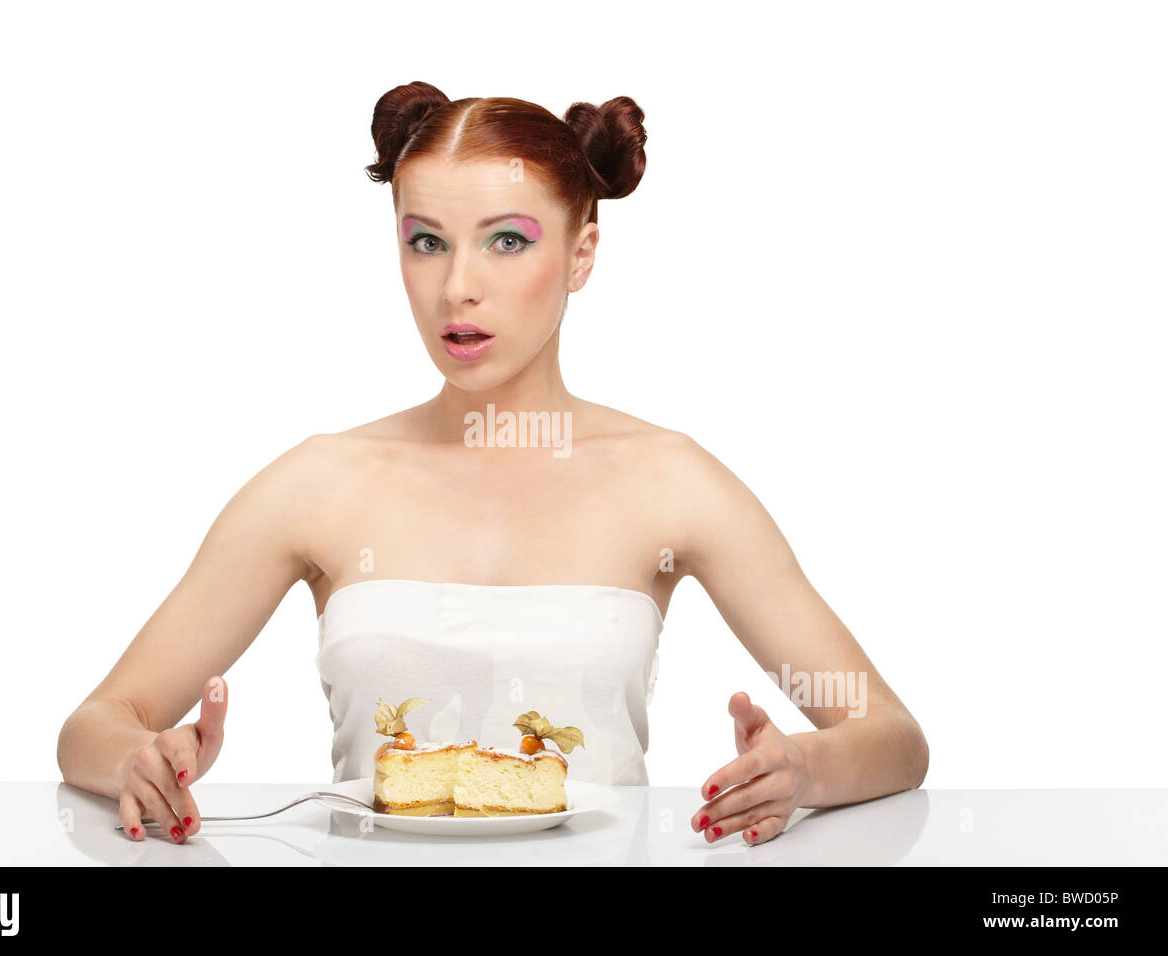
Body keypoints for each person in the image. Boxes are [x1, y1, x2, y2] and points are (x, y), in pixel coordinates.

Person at [57, 81, 928, 848]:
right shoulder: (319, 483)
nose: (456, 287)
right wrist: (139, 758)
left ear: (581, 254)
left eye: (506, 241)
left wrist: (804, 770)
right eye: (426, 242)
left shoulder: (670, 480)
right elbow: (96, 723)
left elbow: (891, 736)